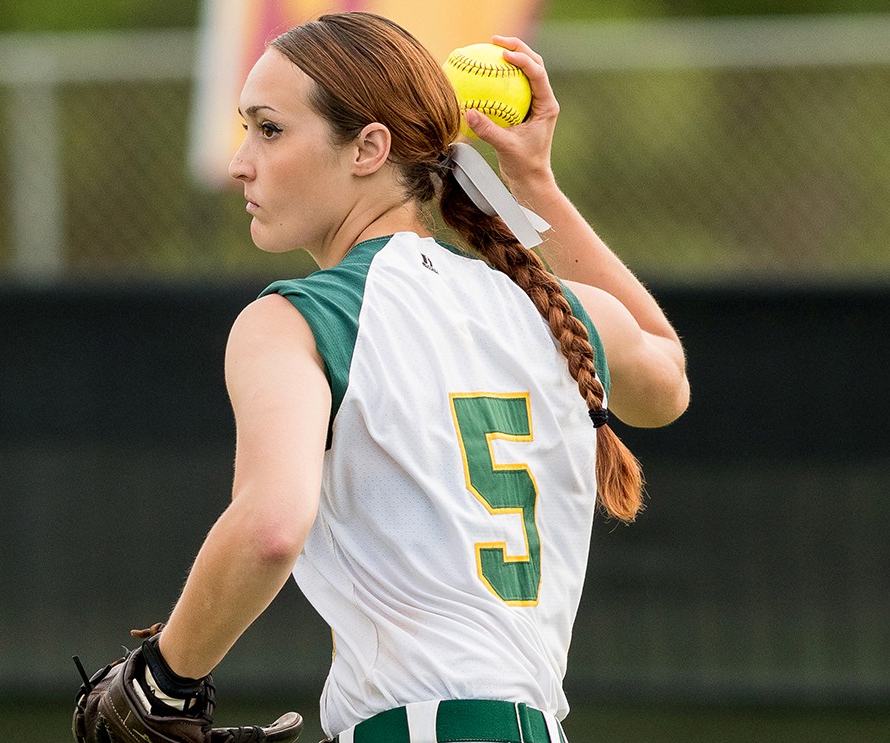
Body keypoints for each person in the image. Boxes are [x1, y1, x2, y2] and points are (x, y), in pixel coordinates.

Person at [72, 11, 689, 743]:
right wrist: (535, 184)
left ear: (369, 147)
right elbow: (666, 376)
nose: (242, 160)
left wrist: (161, 682)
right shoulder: (545, 308)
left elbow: (271, 526)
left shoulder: (299, 319)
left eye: (269, 129)